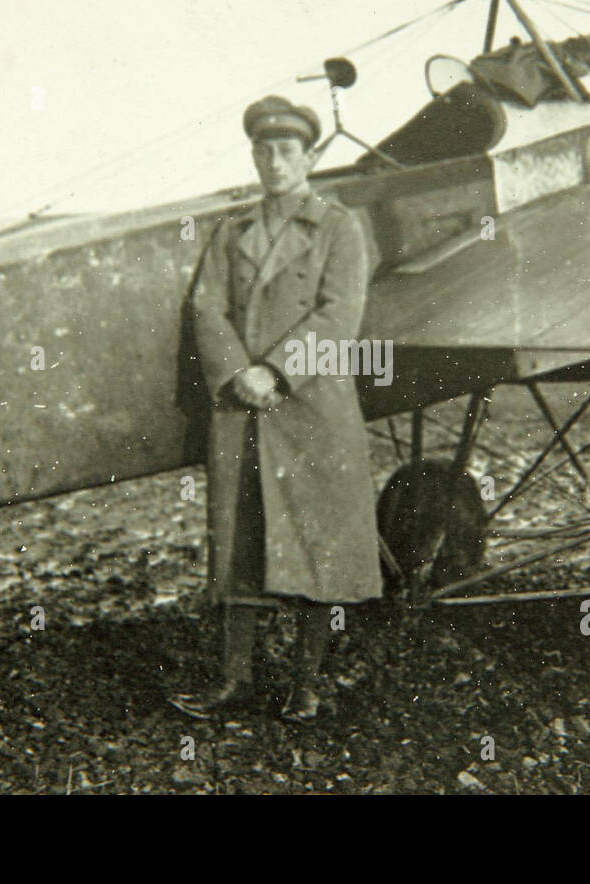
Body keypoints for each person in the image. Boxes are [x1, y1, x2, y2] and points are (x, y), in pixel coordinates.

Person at [170, 95, 383, 722]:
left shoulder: (340, 227)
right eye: (263, 150)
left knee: (316, 542)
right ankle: (233, 680)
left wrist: (276, 369)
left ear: (309, 158)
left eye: (286, 150)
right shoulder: (231, 230)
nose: (273, 161)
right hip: (243, 409)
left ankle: (306, 683)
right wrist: (239, 373)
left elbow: (339, 311)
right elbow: (206, 308)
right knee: (240, 541)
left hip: (311, 404)